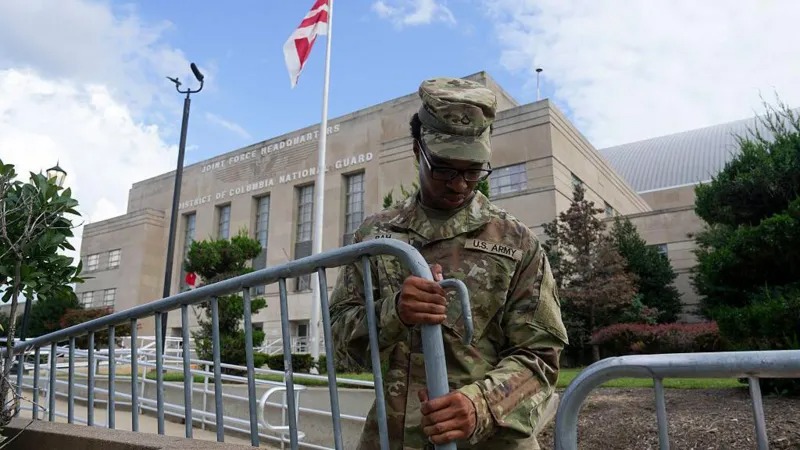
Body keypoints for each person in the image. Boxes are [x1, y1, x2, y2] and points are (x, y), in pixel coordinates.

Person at [329, 76, 569, 450]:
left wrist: (482, 405)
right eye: (443, 168)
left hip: (490, 441)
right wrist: (393, 313)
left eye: (473, 170)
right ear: (416, 150)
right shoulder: (375, 238)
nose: (460, 185)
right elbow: (339, 344)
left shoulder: (517, 242)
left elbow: (541, 358)